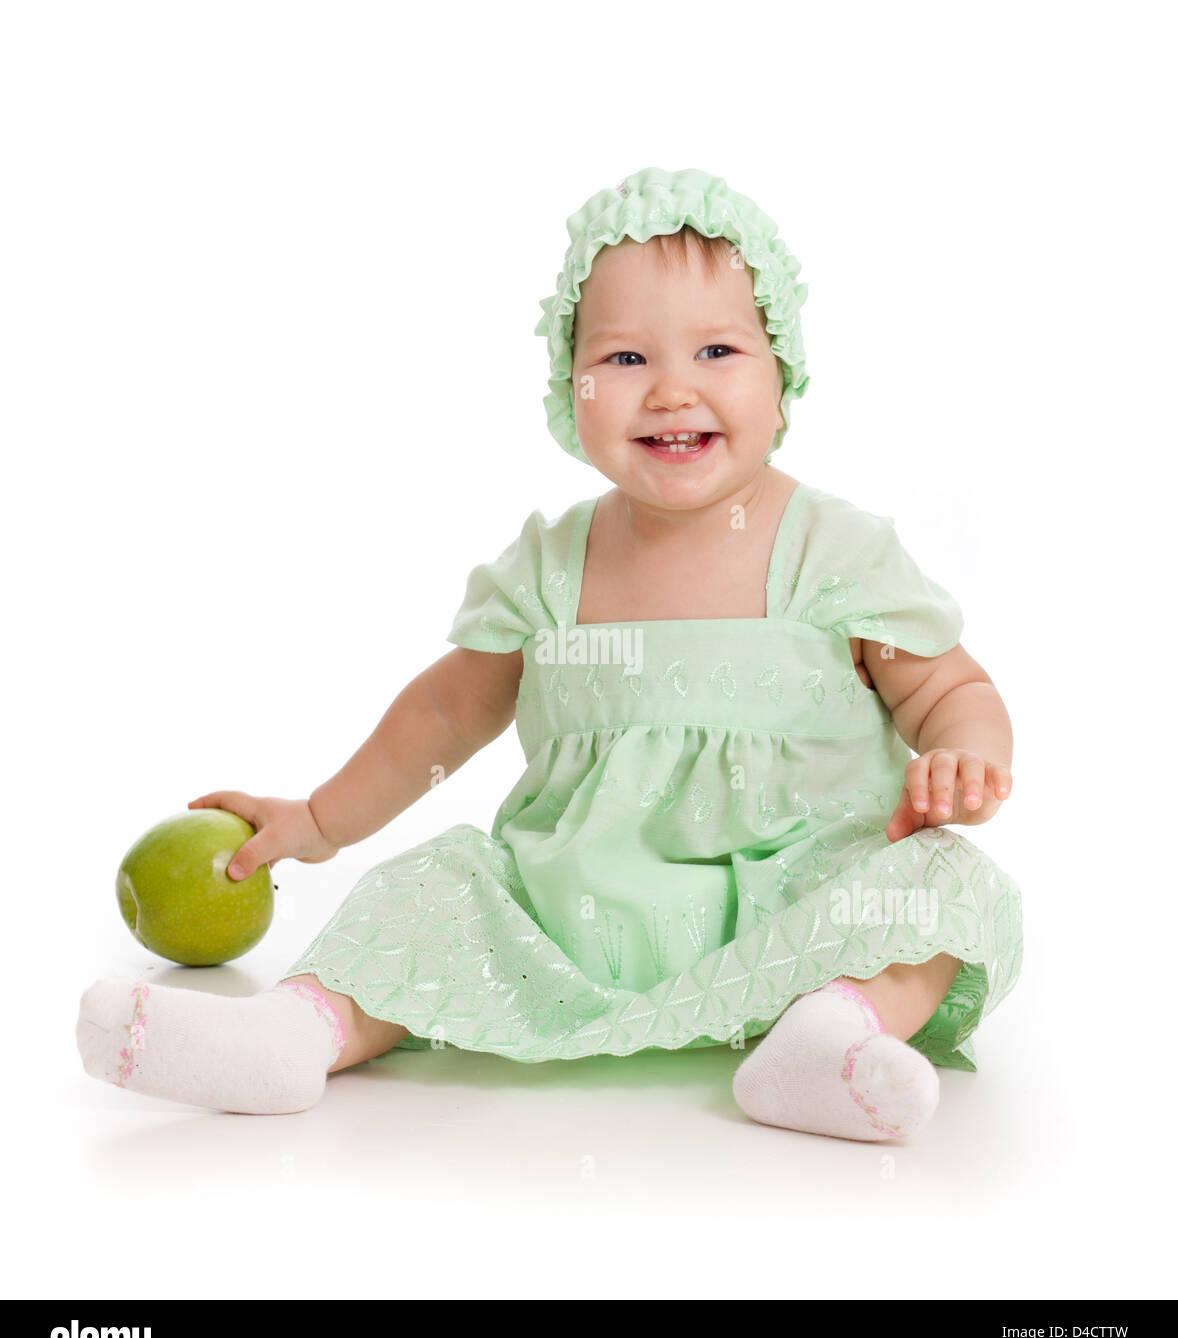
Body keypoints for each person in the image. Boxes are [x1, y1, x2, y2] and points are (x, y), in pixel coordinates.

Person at [76, 167, 1021, 1141]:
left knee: (942, 883)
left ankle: (823, 1036)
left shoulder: (834, 551)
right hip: (568, 914)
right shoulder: (551, 567)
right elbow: (443, 718)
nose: (668, 388)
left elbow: (945, 684)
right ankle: (287, 1036)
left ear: (780, 371)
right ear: (566, 387)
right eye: (621, 357)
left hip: (798, 903)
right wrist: (319, 818)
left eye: (715, 348)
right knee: (429, 892)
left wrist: (965, 753)